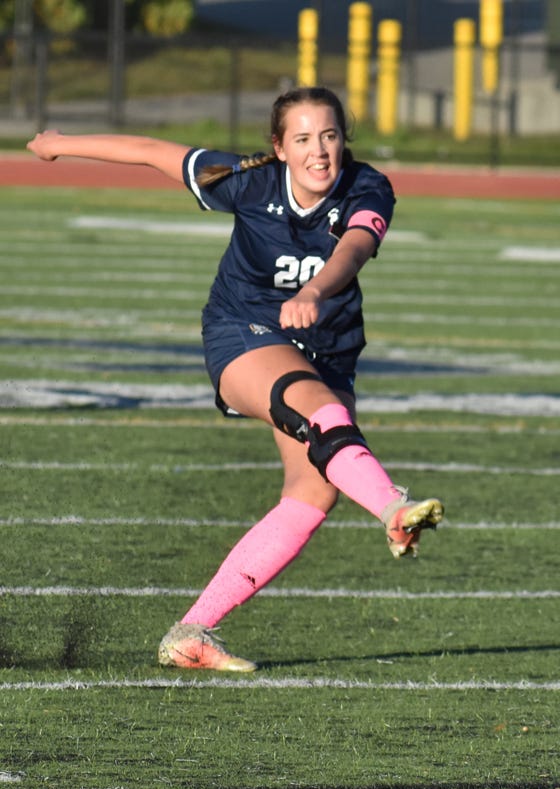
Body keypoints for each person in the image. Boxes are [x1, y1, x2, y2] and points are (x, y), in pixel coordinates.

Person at [26, 86, 445, 672]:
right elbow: (149, 149)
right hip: (241, 332)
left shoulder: (368, 187)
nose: (319, 152)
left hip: (328, 344)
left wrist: (316, 291)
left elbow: (353, 249)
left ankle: (193, 631)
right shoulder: (247, 181)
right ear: (279, 147)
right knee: (320, 412)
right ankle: (392, 507)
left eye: (329, 136)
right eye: (302, 139)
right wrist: (61, 145)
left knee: (312, 493)